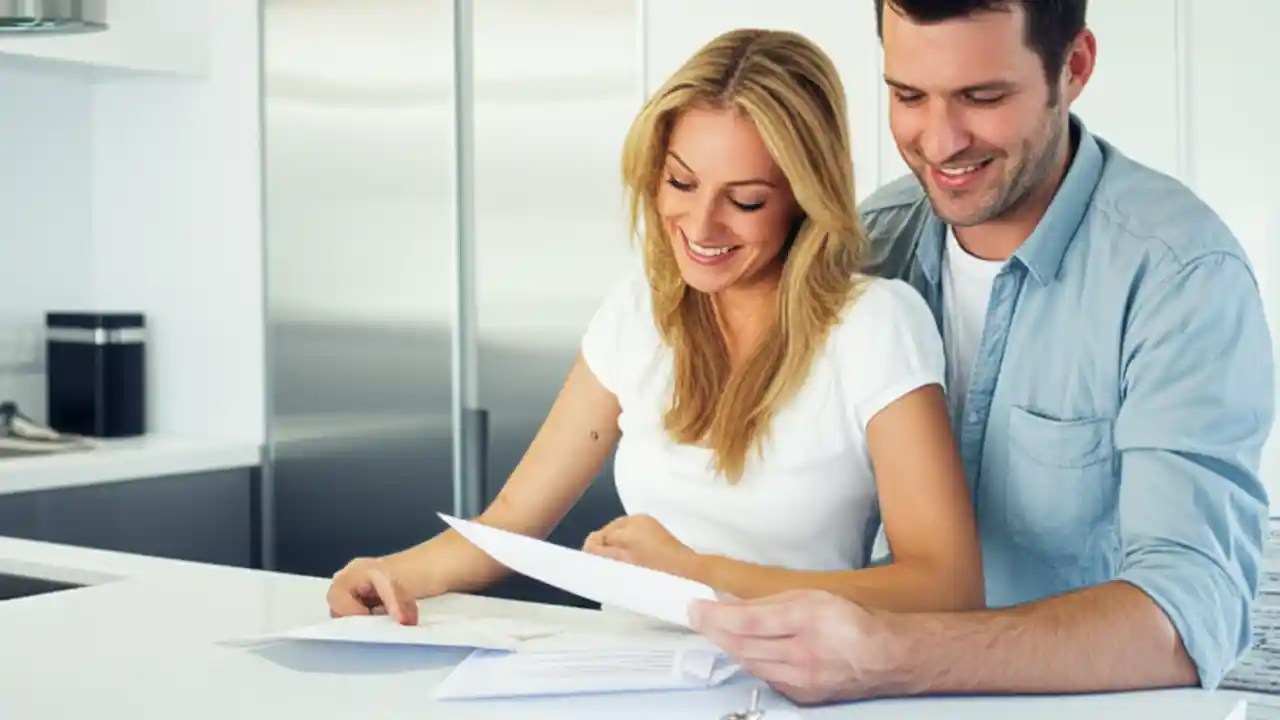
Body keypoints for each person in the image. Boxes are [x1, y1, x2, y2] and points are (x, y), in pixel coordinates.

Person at [690, 0, 1275, 704]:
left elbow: (1188, 615)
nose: (940, 143)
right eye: (909, 96)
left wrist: (891, 655)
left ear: (1074, 67)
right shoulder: (867, 248)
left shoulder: (1179, 274)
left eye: (983, 97)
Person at [325, 28, 985, 625]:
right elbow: (511, 522)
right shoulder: (639, 313)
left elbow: (946, 587)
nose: (701, 226)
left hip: (783, 684)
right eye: (681, 182)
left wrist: (698, 572)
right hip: (626, 673)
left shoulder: (873, 326)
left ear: (803, 200)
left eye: (745, 200)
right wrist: (391, 574)